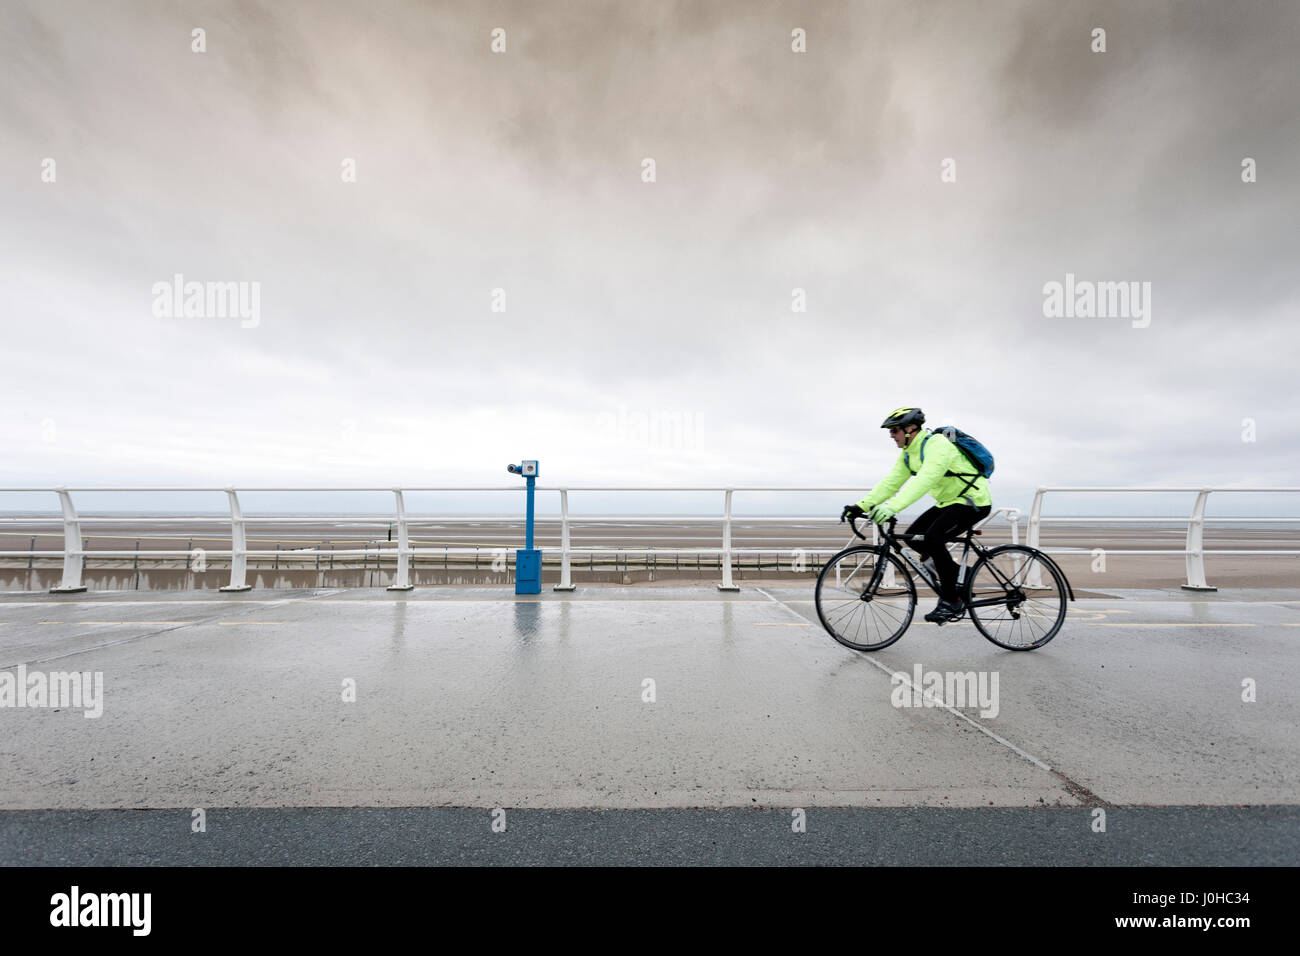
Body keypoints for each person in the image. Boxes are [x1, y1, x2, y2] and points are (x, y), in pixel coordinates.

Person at [841, 407, 991, 623]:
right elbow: (891, 482)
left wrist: (892, 508)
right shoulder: (908, 454)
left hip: (972, 501)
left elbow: (925, 480)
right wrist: (861, 506)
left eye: (894, 431)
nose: (891, 436)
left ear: (910, 429)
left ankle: (952, 600)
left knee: (933, 538)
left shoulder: (937, 445)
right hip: (949, 502)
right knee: (915, 537)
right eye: (890, 432)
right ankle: (961, 575)